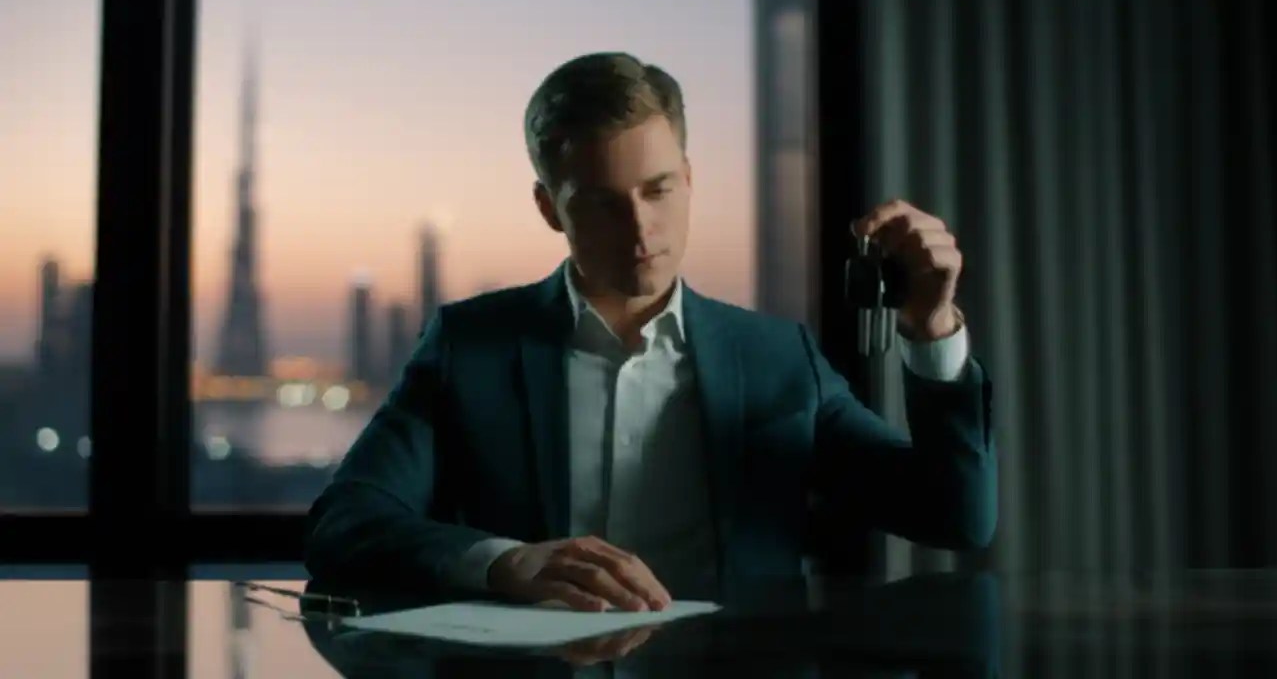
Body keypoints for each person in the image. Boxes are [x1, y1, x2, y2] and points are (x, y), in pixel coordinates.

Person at [304, 52, 996, 614]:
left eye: (659, 189)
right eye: (602, 203)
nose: (640, 231)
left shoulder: (778, 359)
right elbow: (346, 521)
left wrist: (932, 328)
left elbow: (956, 518)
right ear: (549, 208)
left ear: (690, 178)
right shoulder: (470, 347)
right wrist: (504, 562)